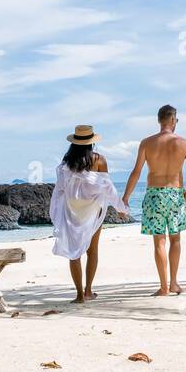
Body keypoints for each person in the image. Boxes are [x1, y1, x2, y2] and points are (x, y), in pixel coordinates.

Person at [123, 105, 186, 296]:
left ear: (159, 120)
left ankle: (164, 287)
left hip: (154, 195)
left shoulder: (147, 143)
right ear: (173, 121)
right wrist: (185, 194)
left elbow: (136, 172)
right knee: (175, 240)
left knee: (159, 242)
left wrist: (125, 197)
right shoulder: (184, 143)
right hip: (175, 194)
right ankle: (174, 283)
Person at [49, 125, 121, 303]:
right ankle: (88, 290)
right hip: (93, 209)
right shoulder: (99, 160)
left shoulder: (66, 163)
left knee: (74, 252)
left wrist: (57, 210)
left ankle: (79, 295)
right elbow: (107, 188)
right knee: (93, 250)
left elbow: (61, 189)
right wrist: (121, 208)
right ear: (91, 143)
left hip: (72, 209)